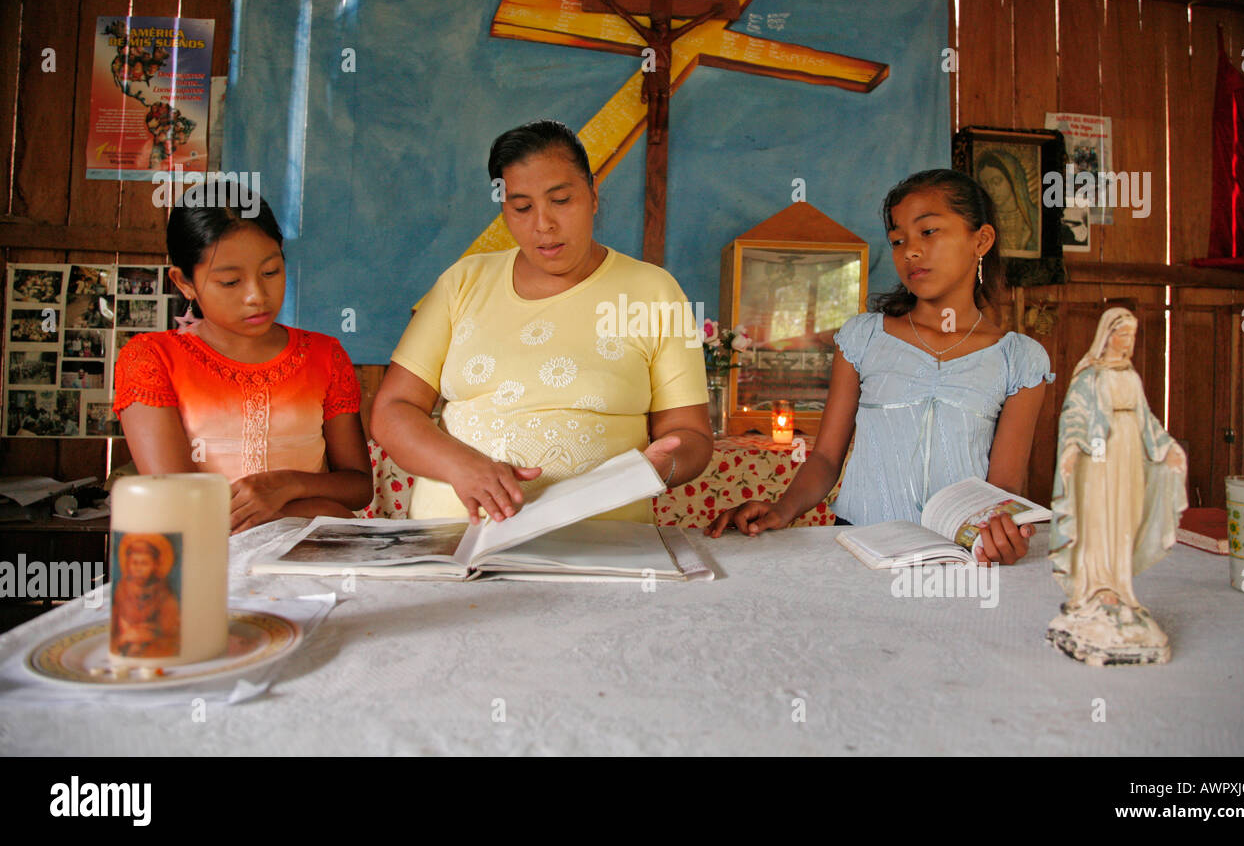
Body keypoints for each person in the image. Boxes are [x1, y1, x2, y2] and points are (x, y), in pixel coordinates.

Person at [371, 119, 711, 524]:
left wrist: (657, 468)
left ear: (593, 194)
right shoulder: (462, 282)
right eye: (522, 207)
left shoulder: (654, 290)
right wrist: (462, 465)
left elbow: (691, 435)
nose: (543, 224)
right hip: (456, 540)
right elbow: (393, 409)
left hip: (602, 544)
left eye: (561, 200)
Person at [705, 168, 1053, 564]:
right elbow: (825, 457)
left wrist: (1000, 534)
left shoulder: (1018, 359)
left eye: (929, 232)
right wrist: (783, 508)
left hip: (957, 557)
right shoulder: (864, 338)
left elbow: (1003, 485)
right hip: (860, 548)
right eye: (898, 240)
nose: (910, 251)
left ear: (982, 240)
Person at [114, 181, 373, 533]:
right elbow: (180, 503)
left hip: (316, 557)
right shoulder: (151, 359)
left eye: (270, 272)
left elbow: (358, 488)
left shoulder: (324, 355)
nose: (256, 296)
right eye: (231, 282)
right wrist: (319, 507)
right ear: (184, 282)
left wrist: (287, 485)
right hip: (206, 558)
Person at [1049, 308, 1186, 613]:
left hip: (1128, 453)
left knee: (1125, 516)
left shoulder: (1130, 375)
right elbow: (1074, 414)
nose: (1127, 341)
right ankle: (1096, 584)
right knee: (1098, 517)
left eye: (1131, 335)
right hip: (1099, 455)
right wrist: (1072, 448)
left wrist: (1168, 447)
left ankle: (1119, 583)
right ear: (1107, 335)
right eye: (1122, 334)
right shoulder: (1090, 375)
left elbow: (1146, 419)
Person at [110, 534, 181, 658]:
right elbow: (115, 629)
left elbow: (171, 631)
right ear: (127, 564)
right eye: (134, 563)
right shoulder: (122, 590)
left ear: (155, 566)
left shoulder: (164, 593)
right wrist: (125, 637)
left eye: (144, 563)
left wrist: (148, 635)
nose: (138, 568)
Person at [975, 150, 1037, 254]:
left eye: (996, 182)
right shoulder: (981, 220)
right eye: (985, 185)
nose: (991, 190)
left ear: (1013, 181)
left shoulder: (1034, 218)